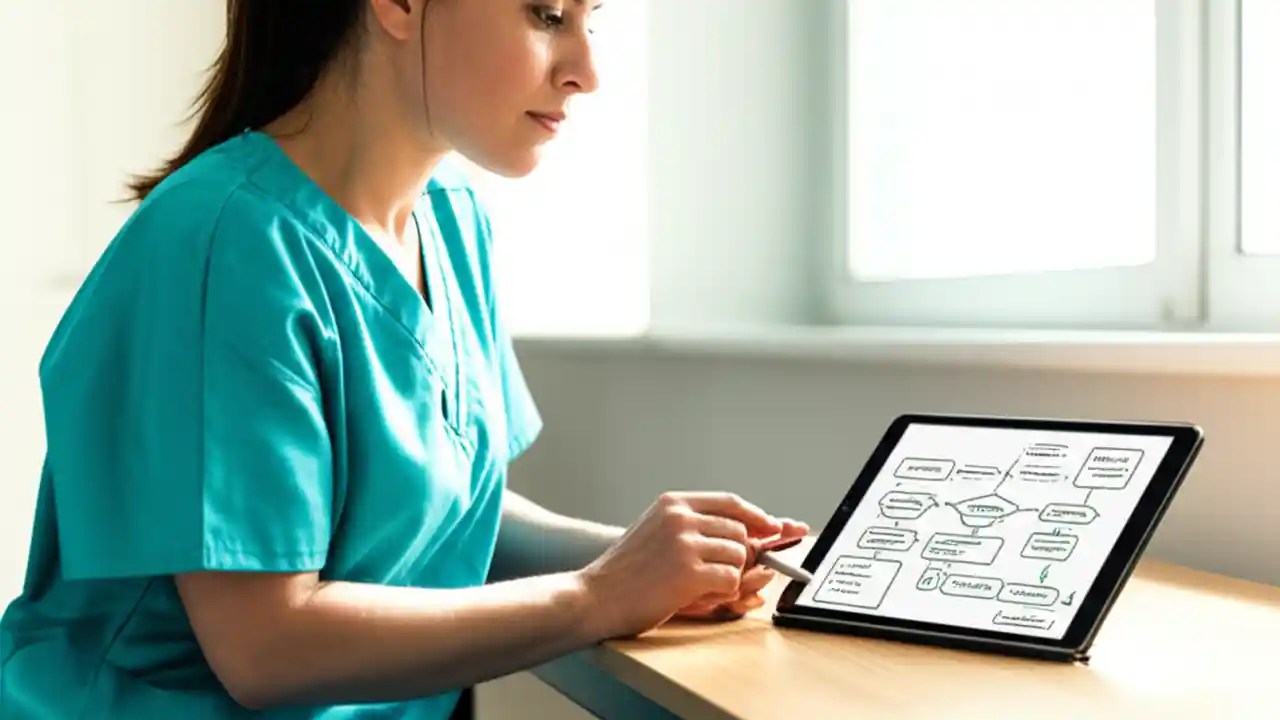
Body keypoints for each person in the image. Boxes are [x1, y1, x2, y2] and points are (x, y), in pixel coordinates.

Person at [0, 1, 809, 718]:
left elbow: (454, 519)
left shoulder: (455, 223)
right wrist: (597, 596)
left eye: (591, 18)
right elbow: (264, 649)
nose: (587, 71)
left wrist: (669, 562)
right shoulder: (221, 244)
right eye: (545, 14)